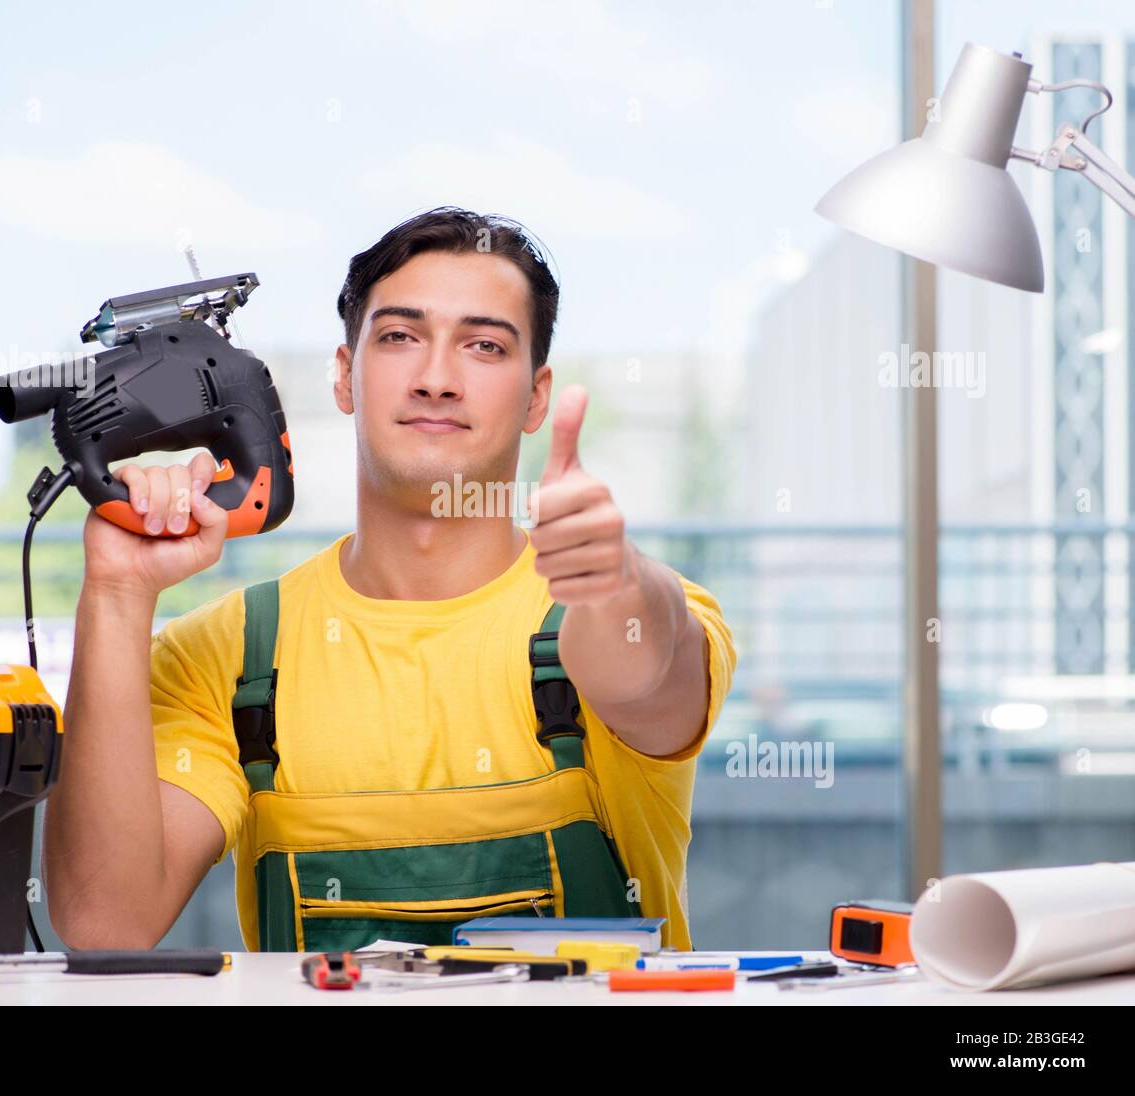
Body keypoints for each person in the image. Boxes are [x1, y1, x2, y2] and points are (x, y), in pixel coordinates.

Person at [44, 206, 736, 952]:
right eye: (401, 337)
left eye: (483, 346)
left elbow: (647, 678)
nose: (436, 380)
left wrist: (616, 580)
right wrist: (117, 595)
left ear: (537, 397)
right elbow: (104, 923)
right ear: (345, 375)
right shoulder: (232, 655)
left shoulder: (615, 612)